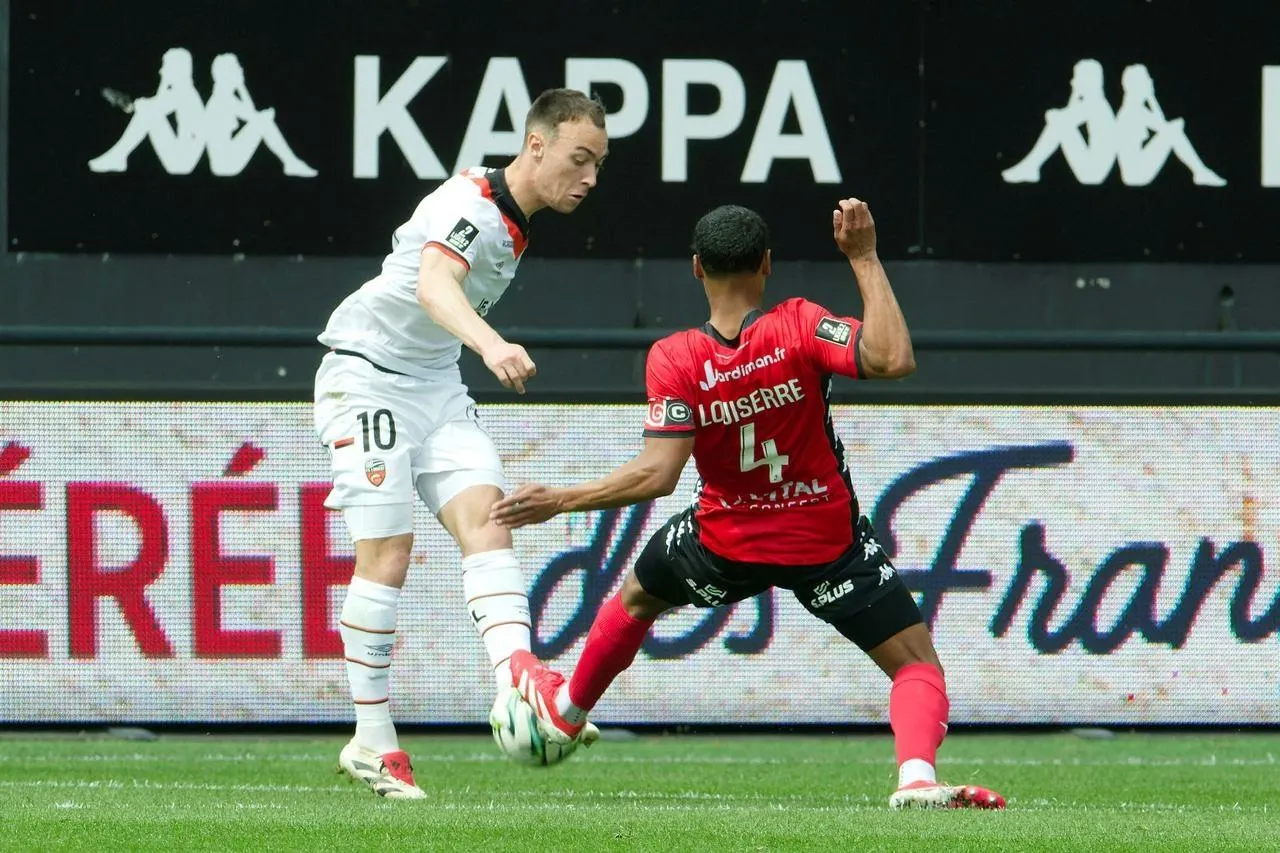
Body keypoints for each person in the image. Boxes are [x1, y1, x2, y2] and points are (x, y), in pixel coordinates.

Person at [490, 200, 1006, 810]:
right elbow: (894, 357)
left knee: (637, 597)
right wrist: (863, 257)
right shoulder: (800, 325)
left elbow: (658, 475)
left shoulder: (674, 358)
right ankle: (916, 779)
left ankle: (568, 714)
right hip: (826, 544)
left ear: (694, 269)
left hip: (722, 546)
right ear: (766, 265)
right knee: (916, 666)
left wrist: (561, 499)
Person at [314, 88, 608, 799]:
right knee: (388, 551)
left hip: (434, 385)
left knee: (490, 518)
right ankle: (373, 739)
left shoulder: (514, 221)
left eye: (599, 163)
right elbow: (434, 285)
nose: (590, 177)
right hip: (368, 378)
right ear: (536, 146)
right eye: (580, 158)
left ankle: (517, 675)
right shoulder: (473, 205)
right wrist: (490, 342)